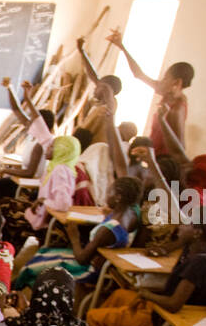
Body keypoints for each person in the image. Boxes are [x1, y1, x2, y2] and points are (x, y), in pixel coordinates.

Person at [14, 176, 142, 290]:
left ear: (118, 197)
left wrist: (74, 236)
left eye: (109, 192)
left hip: (89, 269)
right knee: (43, 252)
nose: (106, 195)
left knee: (33, 267)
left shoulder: (108, 230)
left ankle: (19, 289)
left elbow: (82, 259)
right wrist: (109, 213)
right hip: (100, 259)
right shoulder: (133, 212)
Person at [107, 27, 193, 156]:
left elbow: (181, 146)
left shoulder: (177, 109)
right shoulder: (166, 94)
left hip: (163, 161)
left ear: (177, 83)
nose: (161, 81)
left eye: (165, 78)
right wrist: (122, 47)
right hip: (152, 155)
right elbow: (139, 74)